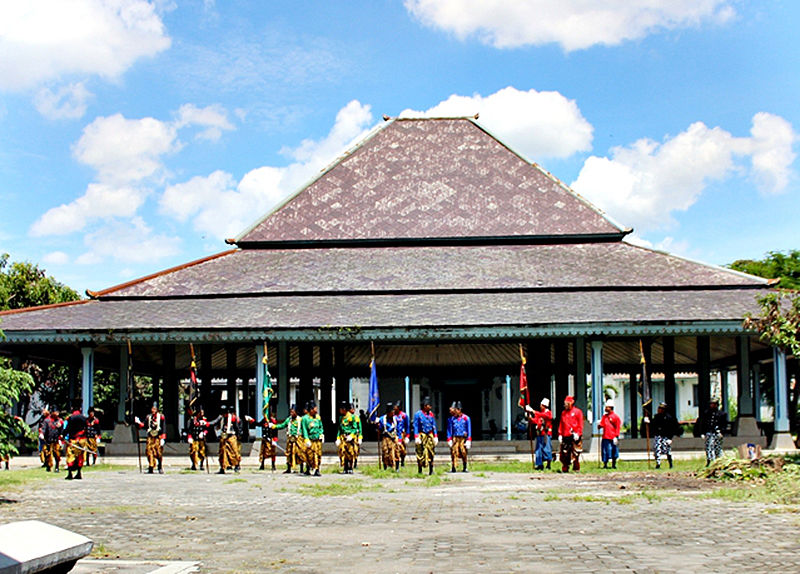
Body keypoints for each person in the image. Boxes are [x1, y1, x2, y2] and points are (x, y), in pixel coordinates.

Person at [136, 403, 166, 474]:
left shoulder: (161, 417)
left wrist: (163, 438)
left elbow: (164, 427)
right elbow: (144, 425)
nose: (153, 410)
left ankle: (160, 466)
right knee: (149, 452)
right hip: (150, 437)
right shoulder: (148, 417)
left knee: (158, 453)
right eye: (152, 409)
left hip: (158, 437)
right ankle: (151, 466)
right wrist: (138, 423)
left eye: (154, 409)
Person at [273, 404, 304, 474]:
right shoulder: (288, 419)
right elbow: (282, 425)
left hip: (298, 439)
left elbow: (304, 429)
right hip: (290, 439)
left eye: (293, 412)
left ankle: (301, 468)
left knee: (299, 453)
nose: (291, 413)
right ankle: (288, 468)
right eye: (291, 412)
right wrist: (274, 426)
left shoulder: (300, 420)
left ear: (296, 412)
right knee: (288, 453)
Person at [697, 397, 727, 466]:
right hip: (709, 432)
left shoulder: (722, 414)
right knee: (709, 447)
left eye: (714, 404)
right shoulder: (706, 413)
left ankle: (719, 461)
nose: (712, 405)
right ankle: (710, 460)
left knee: (717, 448)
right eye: (711, 404)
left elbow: (724, 424)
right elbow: (703, 423)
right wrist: (702, 432)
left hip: (717, 433)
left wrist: (722, 432)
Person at [212, 405, 242, 474]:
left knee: (234, 451)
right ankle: (222, 467)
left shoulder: (233, 418)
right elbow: (214, 422)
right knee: (222, 452)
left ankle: (237, 465)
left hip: (231, 436)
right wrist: (206, 424)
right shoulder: (221, 417)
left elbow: (237, 427)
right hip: (224, 437)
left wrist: (238, 435)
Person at [557, 396, 584, 473]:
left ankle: (576, 467)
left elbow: (580, 424)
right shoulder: (563, 413)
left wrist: (578, 433)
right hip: (565, 435)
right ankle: (565, 467)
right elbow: (561, 424)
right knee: (564, 453)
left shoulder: (578, 412)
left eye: (566, 403)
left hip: (574, 435)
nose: (565, 405)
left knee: (575, 452)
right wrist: (560, 434)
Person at [525, 398, 553, 470]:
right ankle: (540, 464)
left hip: (546, 434)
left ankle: (548, 464)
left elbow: (545, 416)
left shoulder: (548, 413)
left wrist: (533, 411)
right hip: (539, 434)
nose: (540, 406)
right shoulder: (540, 413)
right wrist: (530, 418)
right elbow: (536, 420)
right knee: (539, 450)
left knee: (547, 449)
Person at [413, 396, 438, 475]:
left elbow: (434, 425)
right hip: (421, 434)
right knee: (420, 452)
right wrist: (416, 436)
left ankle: (431, 469)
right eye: (428, 405)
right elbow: (415, 426)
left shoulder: (431, 414)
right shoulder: (418, 414)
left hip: (430, 435)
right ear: (425, 406)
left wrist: (435, 436)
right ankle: (420, 469)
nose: (430, 407)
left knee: (431, 451)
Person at [650, 402, 679, 469]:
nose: (659, 410)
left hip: (666, 436)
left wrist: (670, 438)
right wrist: (648, 422)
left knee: (667, 451)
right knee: (657, 450)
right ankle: (658, 464)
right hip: (658, 436)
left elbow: (673, 428)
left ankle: (670, 463)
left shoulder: (669, 418)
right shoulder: (656, 417)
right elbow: (653, 425)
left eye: (661, 408)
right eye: (659, 408)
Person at [63, 406, 88, 480]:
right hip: (82, 440)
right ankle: (79, 473)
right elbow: (87, 429)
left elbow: (67, 428)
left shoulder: (71, 418)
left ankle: (70, 473)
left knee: (71, 455)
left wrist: (63, 435)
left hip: (73, 440)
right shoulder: (84, 418)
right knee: (80, 456)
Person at [300, 401, 324, 476]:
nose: (316, 410)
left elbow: (321, 426)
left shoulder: (318, 417)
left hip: (317, 440)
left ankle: (317, 469)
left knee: (318, 454)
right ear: (311, 410)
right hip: (310, 440)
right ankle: (308, 468)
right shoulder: (305, 418)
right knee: (309, 455)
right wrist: (306, 439)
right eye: (315, 409)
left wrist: (321, 434)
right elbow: (304, 429)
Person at [447, 401, 471, 473]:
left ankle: (465, 466)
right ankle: (453, 467)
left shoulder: (466, 418)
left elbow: (469, 429)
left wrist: (469, 440)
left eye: (456, 410)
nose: (455, 412)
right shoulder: (451, 419)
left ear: (459, 410)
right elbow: (449, 429)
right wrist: (449, 439)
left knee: (463, 452)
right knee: (454, 452)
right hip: (455, 437)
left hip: (463, 438)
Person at [336, 401, 360, 474]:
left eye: (341, 409)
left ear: (344, 409)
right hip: (343, 437)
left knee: (351, 453)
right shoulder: (341, 418)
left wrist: (351, 435)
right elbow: (339, 428)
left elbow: (355, 428)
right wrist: (337, 438)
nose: (340, 410)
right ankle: (345, 467)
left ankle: (350, 467)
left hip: (350, 437)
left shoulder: (352, 417)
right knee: (343, 452)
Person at [376, 402, 400, 471]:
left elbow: (398, 429)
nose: (393, 413)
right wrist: (377, 427)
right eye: (391, 412)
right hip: (386, 437)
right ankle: (385, 467)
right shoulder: (382, 419)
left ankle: (397, 467)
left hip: (394, 437)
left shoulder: (395, 419)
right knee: (385, 452)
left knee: (396, 452)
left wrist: (399, 438)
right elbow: (380, 429)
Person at [598, 400, 621, 469]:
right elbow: (602, 425)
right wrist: (599, 425)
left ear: (610, 408)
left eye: (607, 407)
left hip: (613, 437)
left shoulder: (615, 417)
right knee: (605, 451)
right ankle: (605, 464)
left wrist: (616, 436)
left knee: (614, 450)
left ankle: (614, 464)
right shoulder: (604, 417)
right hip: (605, 437)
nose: (605, 409)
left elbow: (617, 427)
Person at [187, 406, 209, 471]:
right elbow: (189, 430)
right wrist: (189, 437)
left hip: (201, 439)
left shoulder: (204, 420)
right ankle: (194, 464)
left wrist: (204, 433)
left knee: (202, 452)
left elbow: (207, 429)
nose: (202, 414)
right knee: (193, 451)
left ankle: (201, 464)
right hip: (194, 438)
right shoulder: (192, 420)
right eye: (201, 412)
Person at [393, 403, 410, 467]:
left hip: (402, 435)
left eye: (396, 407)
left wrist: (407, 436)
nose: (394, 408)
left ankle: (402, 461)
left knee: (403, 450)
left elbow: (407, 426)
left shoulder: (404, 415)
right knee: (396, 449)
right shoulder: (393, 415)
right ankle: (396, 463)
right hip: (394, 434)